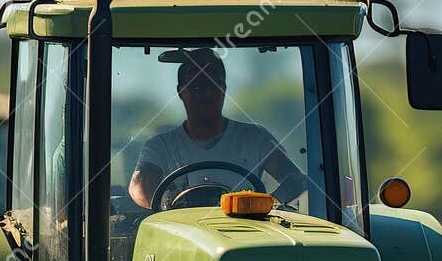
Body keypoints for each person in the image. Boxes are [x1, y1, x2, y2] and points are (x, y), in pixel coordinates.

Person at [127, 49, 311, 210]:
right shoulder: (159, 147)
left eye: (213, 84)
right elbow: (140, 186)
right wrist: (166, 204)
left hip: (245, 233)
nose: (206, 93)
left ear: (223, 88)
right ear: (180, 92)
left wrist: (267, 204)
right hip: (181, 234)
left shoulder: (255, 138)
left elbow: (295, 180)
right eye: (197, 86)